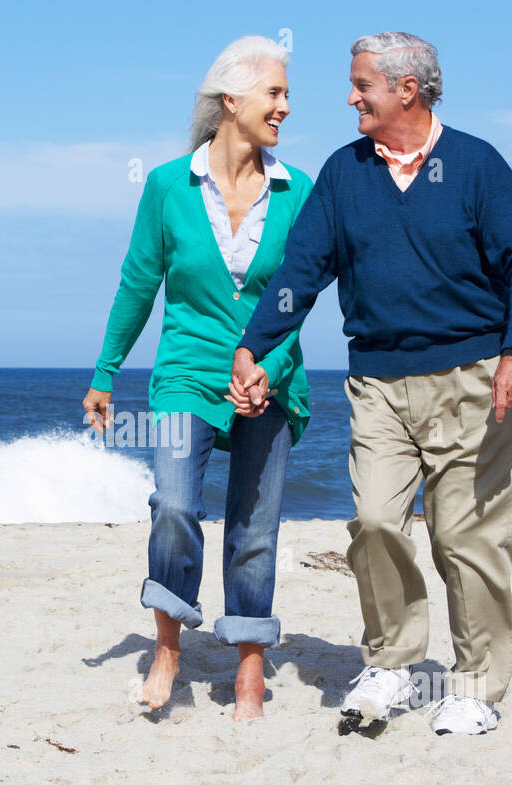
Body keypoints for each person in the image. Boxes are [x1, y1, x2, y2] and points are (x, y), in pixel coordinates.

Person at [232, 32, 512, 734]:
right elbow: (300, 273)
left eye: (362, 85)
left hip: (473, 378)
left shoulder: (475, 165)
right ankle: (393, 663)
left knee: (464, 537)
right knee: (375, 522)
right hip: (377, 381)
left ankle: (475, 686)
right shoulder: (345, 174)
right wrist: (254, 346)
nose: (350, 96)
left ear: (406, 89)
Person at [83, 36, 313, 720]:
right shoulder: (165, 186)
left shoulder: (297, 191)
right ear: (229, 101)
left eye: (285, 94)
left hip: (270, 382)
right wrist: (104, 372)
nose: (285, 107)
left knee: (254, 528)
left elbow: (297, 297)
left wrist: (268, 368)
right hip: (186, 374)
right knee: (177, 506)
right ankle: (169, 648)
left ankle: (247, 671)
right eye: (274, 93)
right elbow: (138, 283)